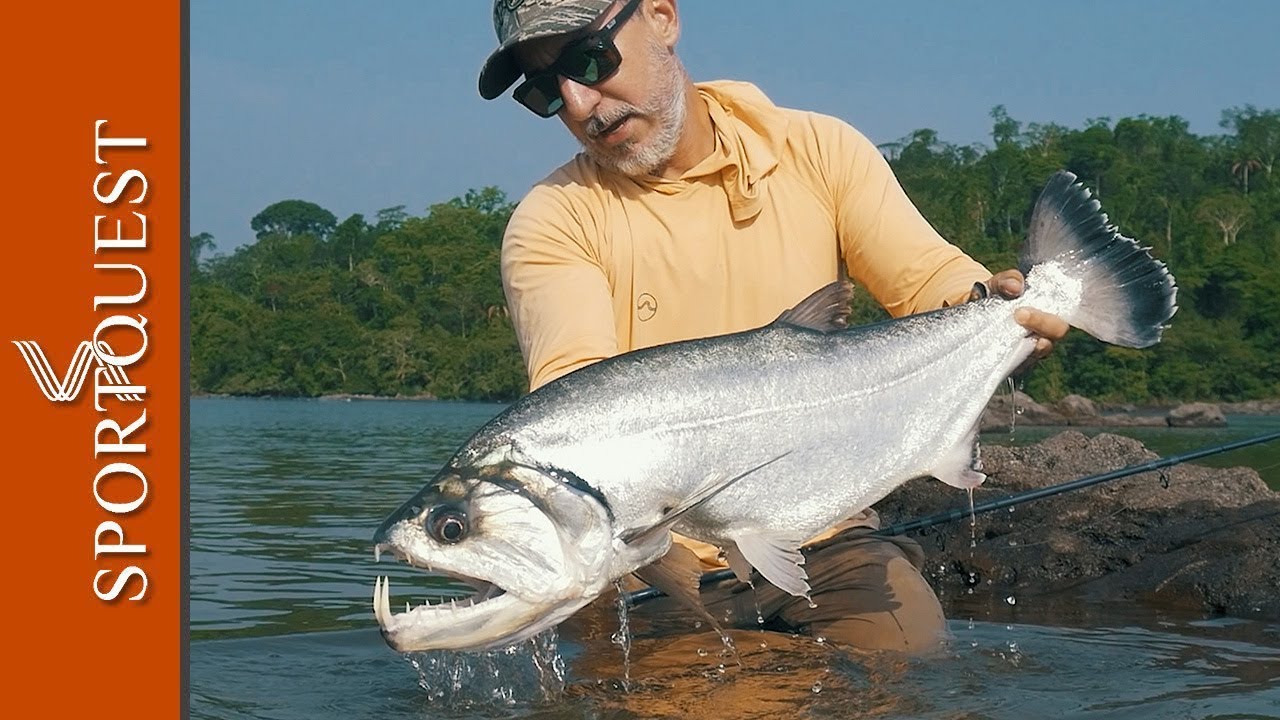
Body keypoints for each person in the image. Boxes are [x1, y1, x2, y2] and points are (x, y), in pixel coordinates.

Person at [477, 0, 1068, 652]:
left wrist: (996, 308)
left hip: (828, 540)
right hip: (651, 570)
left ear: (663, 18)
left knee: (912, 674)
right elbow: (574, 408)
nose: (582, 104)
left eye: (589, 60)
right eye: (544, 91)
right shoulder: (552, 222)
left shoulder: (818, 150)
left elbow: (928, 281)